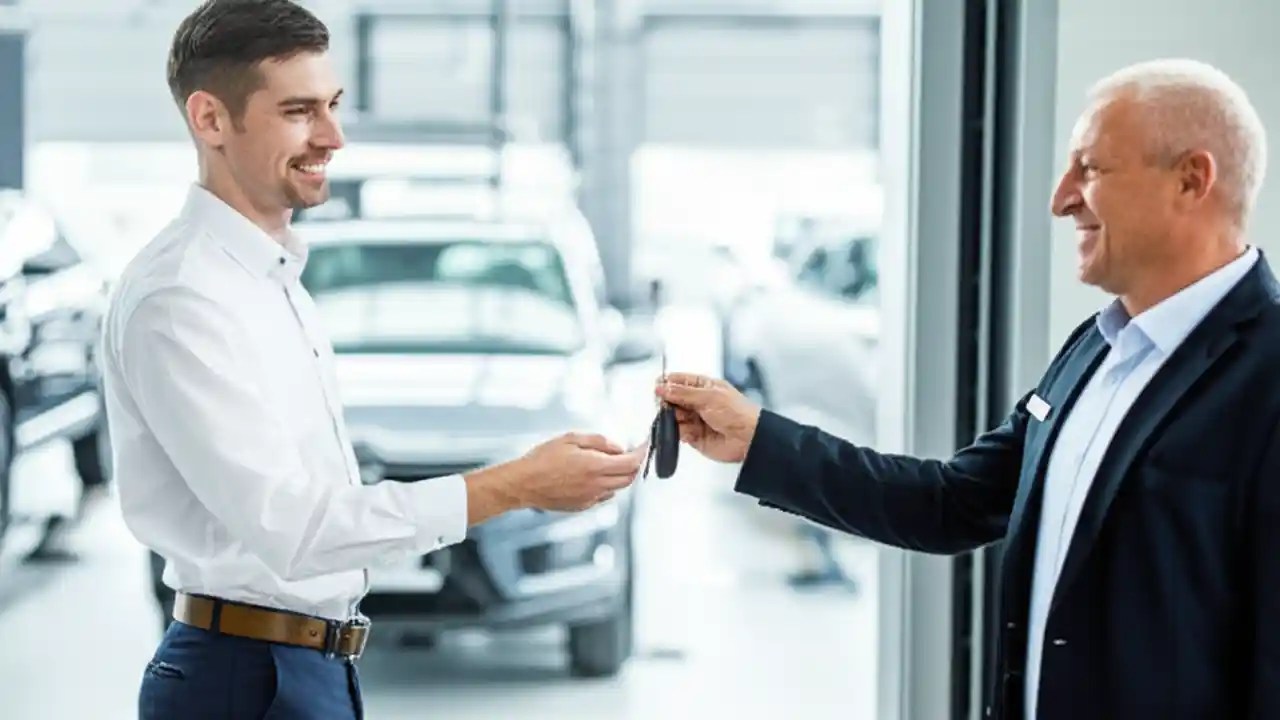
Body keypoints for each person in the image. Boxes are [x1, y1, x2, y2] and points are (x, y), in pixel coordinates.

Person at [657, 58, 1276, 720]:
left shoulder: (1267, 379)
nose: (1062, 198)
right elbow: (951, 502)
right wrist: (757, 440)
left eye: (1091, 169)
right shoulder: (1097, 346)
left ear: (1191, 180)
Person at [102, 2, 644, 718]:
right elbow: (299, 529)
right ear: (211, 120)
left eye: (332, 106)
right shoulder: (183, 298)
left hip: (306, 663)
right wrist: (516, 484)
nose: (333, 136)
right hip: (247, 678)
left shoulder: (271, 279)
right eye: (299, 111)